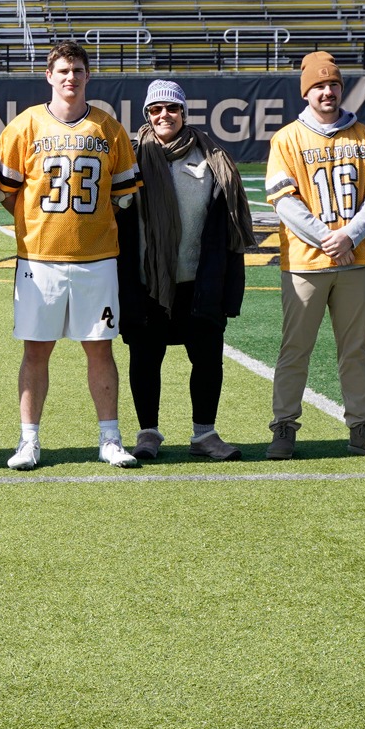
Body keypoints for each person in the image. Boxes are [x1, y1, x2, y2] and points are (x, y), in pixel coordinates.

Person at [0, 42, 143, 470]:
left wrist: (89, 227)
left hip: (97, 260)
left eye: (77, 69)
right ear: (48, 76)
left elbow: (123, 196)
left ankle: (109, 438)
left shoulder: (108, 128)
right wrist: (40, 224)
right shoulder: (24, 127)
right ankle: (28, 441)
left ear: (88, 75)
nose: (70, 77)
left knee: (100, 349)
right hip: (40, 259)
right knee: (36, 351)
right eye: (62, 70)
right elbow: (6, 193)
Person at [265, 51, 365, 459]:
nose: (327, 91)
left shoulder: (364, 136)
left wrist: (351, 234)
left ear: (342, 88)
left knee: (354, 348)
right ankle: (284, 428)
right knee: (295, 348)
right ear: (306, 92)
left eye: (333, 84)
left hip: (355, 261)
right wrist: (329, 237)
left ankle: (361, 428)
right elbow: (282, 200)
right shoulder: (287, 137)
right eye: (319, 86)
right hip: (307, 262)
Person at [119, 78, 257, 463]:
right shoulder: (129, 158)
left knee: (208, 358)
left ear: (184, 112)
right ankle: (148, 433)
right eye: (156, 109)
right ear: (147, 114)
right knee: (145, 358)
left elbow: (227, 226)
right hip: (148, 283)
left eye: (173, 108)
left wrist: (228, 284)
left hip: (200, 279)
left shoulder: (213, 158)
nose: (165, 115)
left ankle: (205, 434)